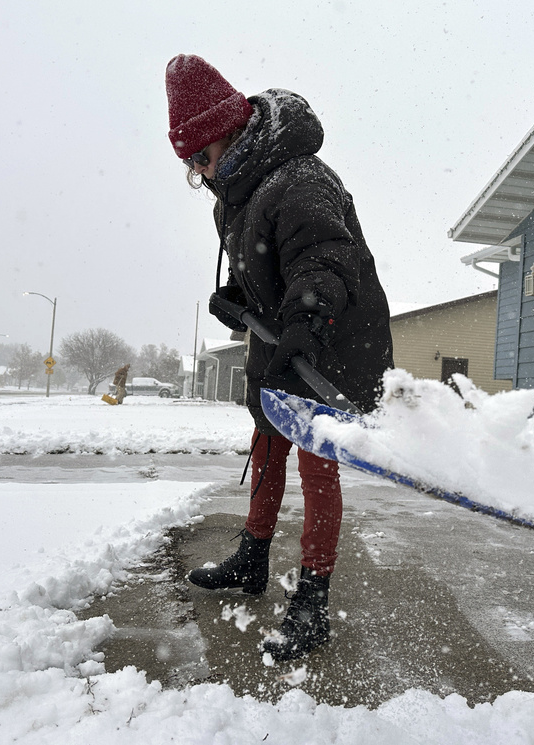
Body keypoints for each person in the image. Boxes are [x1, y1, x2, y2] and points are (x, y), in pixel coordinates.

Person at [165, 54, 393, 661]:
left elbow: (322, 257)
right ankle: (252, 557)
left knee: (317, 468)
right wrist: (239, 298)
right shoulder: (235, 201)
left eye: (200, 157)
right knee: (267, 446)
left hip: (331, 345)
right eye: (189, 164)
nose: (198, 172)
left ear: (228, 133)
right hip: (280, 343)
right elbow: (273, 268)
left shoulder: (299, 177)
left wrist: (308, 316)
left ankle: (313, 599)